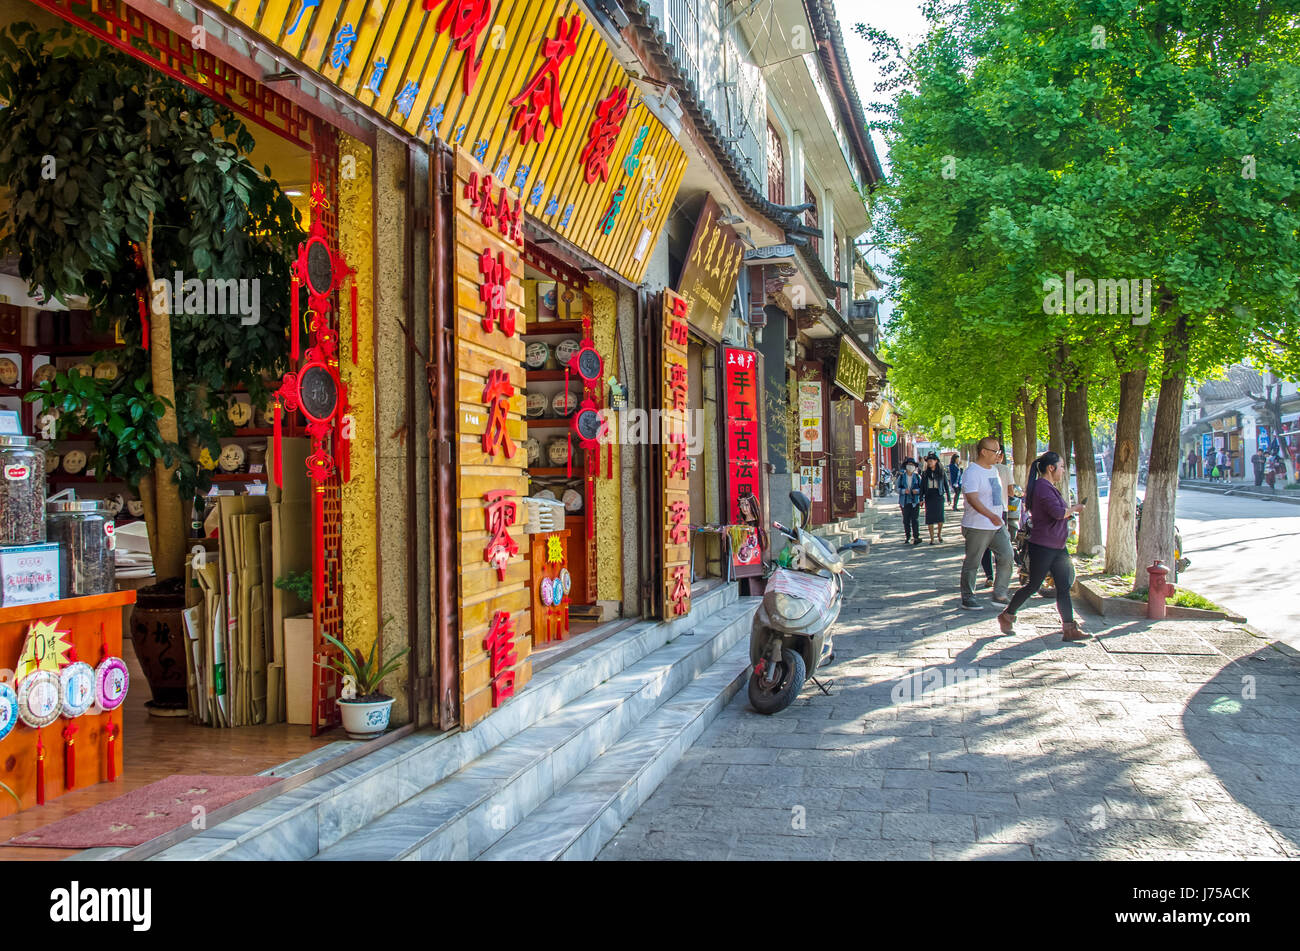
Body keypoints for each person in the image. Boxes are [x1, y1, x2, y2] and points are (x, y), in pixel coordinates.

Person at [998, 451, 1088, 641]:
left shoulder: (1048, 487)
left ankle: (1069, 628)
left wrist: (1068, 513)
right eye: (1062, 467)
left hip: (1058, 545)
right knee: (1033, 585)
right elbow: (1056, 513)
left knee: (1063, 586)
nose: (1063, 471)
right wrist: (1074, 509)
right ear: (1051, 468)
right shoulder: (1042, 487)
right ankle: (1007, 615)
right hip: (1044, 545)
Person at [958, 436, 1014, 609]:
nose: (998, 454)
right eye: (995, 451)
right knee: (973, 562)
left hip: (996, 524)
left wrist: (998, 516)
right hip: (978, 525)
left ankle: (1000, 593)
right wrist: (990, 515)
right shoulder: (972, 472)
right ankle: (968, 596)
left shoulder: (994, 470)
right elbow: (972, 498)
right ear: (983, 452)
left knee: (1007, 555)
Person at [921, 452, 950, 544]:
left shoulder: (941, 472)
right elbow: (922, 487)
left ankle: (939, 534)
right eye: (928, 461)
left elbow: (946, 485)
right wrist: (921, 498)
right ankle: (932, 538)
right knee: (930, 518)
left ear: (936, 461)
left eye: (931, 461)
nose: (929, 463)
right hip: (929, 496)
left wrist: (949, 497)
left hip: (939, 495)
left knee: (940, 517)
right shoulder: (925, 474)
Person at [897, 458, 923, 544]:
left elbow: (922, 489)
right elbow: (896, 488)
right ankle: (907, 536)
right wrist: (904, 491)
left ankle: (916, 537)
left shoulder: (917, 477)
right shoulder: (901, 477)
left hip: (915, 501)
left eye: (912, 465)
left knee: (915, 519)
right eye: (909, 465)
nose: (910, 466)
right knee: (906, 520)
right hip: (904, 502)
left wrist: (918, 492)